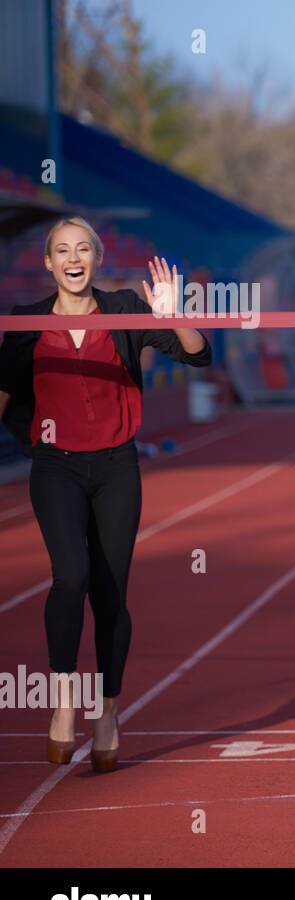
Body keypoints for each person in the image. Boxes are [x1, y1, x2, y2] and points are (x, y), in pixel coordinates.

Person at [0, 217, 211, 772]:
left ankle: (109, 711)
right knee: (70, 576)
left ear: (96, 258)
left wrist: (171, 315)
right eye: (62, 250)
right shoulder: (25, 321)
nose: (73, 258)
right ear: (48, 263)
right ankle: (64, 699)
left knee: (110, 593)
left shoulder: (124, 309)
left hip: (117, 466)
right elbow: (4, 392)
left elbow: (197, 355)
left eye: (83, 249)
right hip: (55, 467)